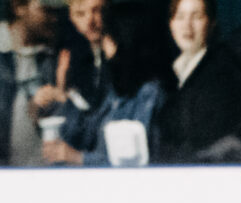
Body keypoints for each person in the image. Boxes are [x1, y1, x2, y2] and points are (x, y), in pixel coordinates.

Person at [48, 0, 165, 162]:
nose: (105, 49)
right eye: (80, 14)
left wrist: (78, 158)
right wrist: (63, 94)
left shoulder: (148, 94)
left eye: (110, 39)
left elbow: (131, 161)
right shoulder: (116, 91)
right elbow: (87, 132)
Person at [159, 0, 241, 161]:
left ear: (212, 23)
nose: (187, 26)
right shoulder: (171, 73)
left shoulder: (223, 75)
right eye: (180, 17)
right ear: (171, 24)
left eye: (197, 17)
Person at [2, 0, 64, 166]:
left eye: (56, 12)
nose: (54, 18)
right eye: (46, 10)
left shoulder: (60, 61)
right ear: (19, 7)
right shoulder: (4, 62)